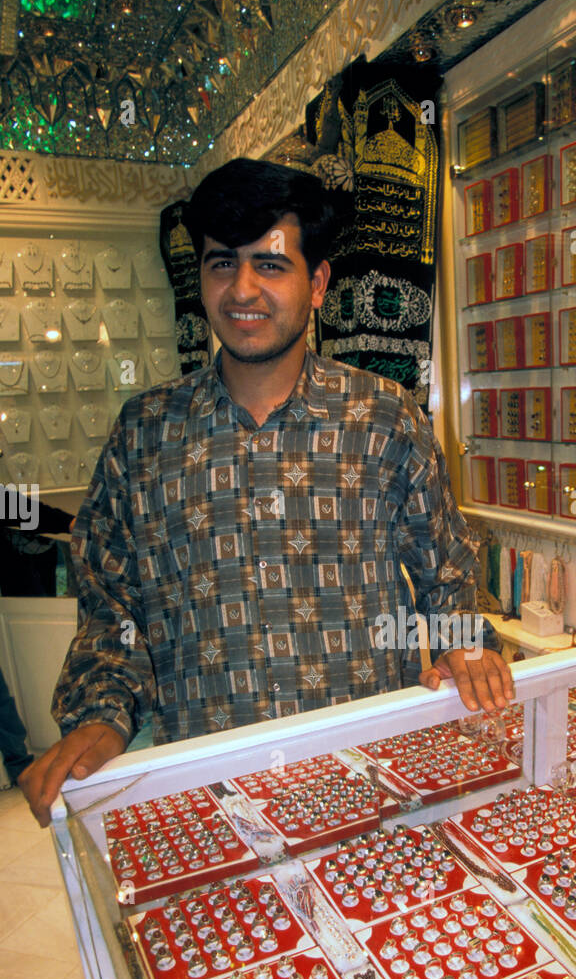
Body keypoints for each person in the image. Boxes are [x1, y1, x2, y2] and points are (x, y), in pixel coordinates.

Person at [20, 159, 514, 826]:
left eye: (270, 265)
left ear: (316, 284)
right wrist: (103, 716)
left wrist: (463, 644)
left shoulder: (383, 418)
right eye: (222, 263)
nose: (242, 289)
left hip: (369, 783)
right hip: (211, 791)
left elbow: (446, 566)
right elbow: (111, 606)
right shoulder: (145, 434)